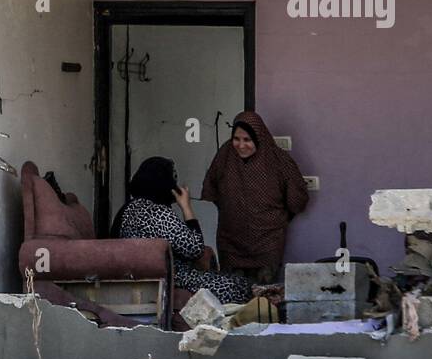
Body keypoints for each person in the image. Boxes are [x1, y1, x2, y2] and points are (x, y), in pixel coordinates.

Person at [111, 156, 251, 305]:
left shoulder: (127, 209)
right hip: (171, 278)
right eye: (172, 178)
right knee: (239, 286)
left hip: (134, 277)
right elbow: (194, 249)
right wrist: (186, 206)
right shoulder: (158, 212)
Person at [201, 110, 309, 285]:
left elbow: (298, 199)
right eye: (236, 139)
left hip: (267, 243)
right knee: (232, 296)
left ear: (259, 137)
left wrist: (277, 219)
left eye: (247, 140)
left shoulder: (279, 160)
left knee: (263, 301)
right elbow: (212, 188)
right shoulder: (225, 155)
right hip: (231, 242)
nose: (241, 145)